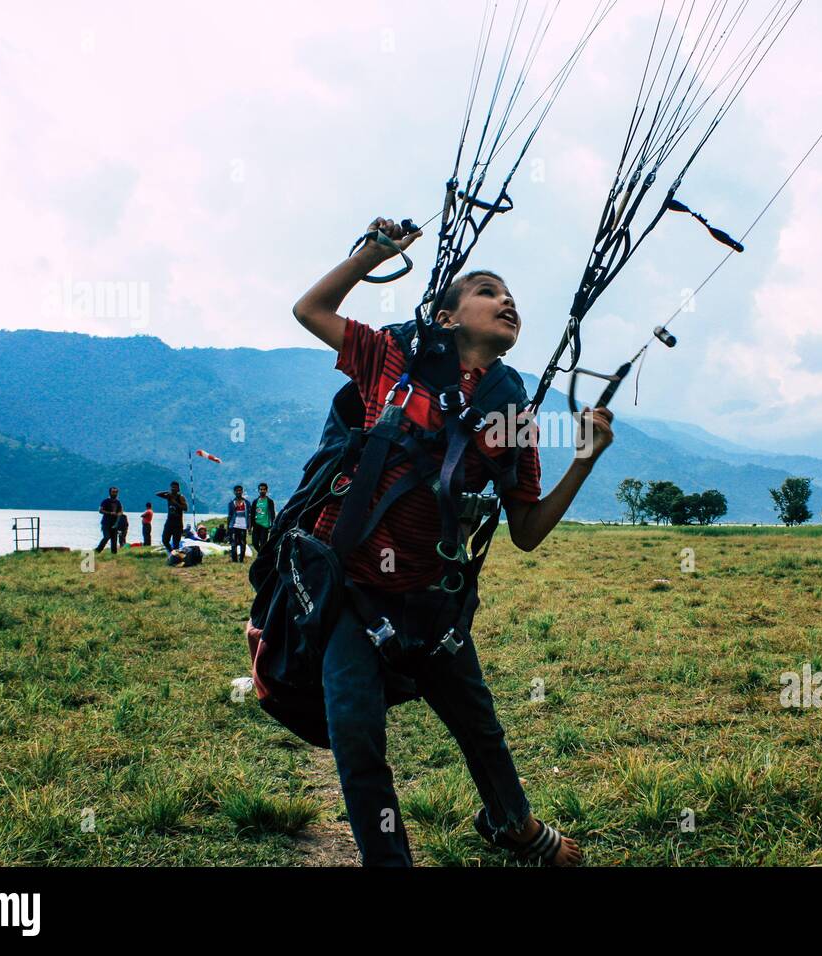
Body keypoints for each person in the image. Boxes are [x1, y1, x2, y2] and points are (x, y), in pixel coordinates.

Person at [281, 216, 614, 866]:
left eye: (510, 294)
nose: (506, 299)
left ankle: (512, 825)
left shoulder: (513, 413)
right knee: (356, 734)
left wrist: (584, 460)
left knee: (480, 728)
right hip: (350, 588)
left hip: (433, 600)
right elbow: (310, 309)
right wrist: (375, 254)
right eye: (488, 290)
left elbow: (526, 531)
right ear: (446, 312)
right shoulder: (391, 358)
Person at [156, 482, 188, 552]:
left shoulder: (181, 497)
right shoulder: (168, 496)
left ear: (178, 489)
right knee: (164, 540)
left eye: (175, 487)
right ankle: (171, 552)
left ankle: (175, 556)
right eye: (172, 487)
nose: (173, 489)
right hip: (169, 522)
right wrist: (167, 492)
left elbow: (185, 508)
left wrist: (175, 503)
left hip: (178, 524)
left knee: (176, 543)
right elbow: (157, 494)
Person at [96, 487, 123, 554]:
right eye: (113, 492)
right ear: (110, 492)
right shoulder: (105, 501)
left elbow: (121, 511)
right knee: (106, 537)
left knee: (114, 540)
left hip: (115, 523)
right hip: (106, 523)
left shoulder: (118, 502)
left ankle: (114, 554)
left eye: (116, 492)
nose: (115, 493)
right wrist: (110, 513)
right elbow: (100, 510)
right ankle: (98, 550)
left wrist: (119, 514)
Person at [227, 485, 249, 563]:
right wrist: (228, 527)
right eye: (237, 491)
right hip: (233, 525)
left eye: (240, 490)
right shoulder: (231, 503)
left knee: (243, 543)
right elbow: (229, 515)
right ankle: (234, 560)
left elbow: (249, 515)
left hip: (243, 526)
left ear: (242, 492)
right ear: (234, 492)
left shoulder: (246, 503)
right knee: (233, 543)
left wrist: (249, 526)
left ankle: (241, 559)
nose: (238, 492)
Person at [251, 483, 276, 555]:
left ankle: (261, 556)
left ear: (266, 490)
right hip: (256, 525)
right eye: (261, 489)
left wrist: (272, 524)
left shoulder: (269, 501)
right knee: (255, 543)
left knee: (263, 543)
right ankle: (262, 554)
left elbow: (272, 513)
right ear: (258, 490)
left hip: (265, 525)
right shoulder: (255, 501)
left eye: (264, 489)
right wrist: (250, 526)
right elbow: (252, 514)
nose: (262, 491)